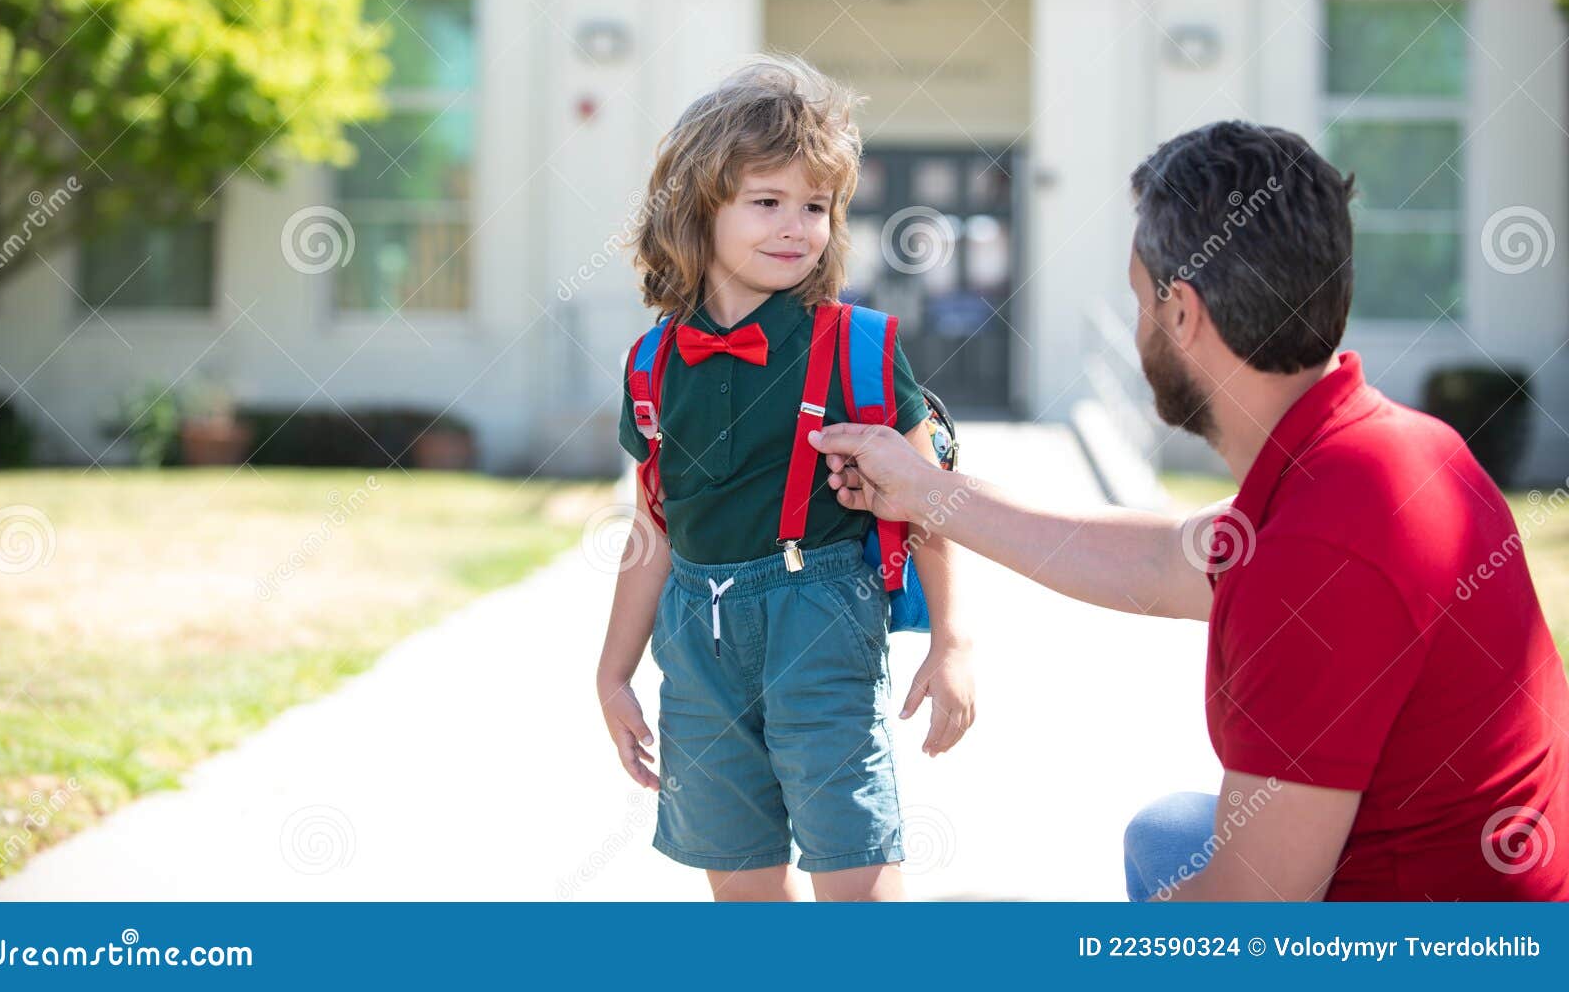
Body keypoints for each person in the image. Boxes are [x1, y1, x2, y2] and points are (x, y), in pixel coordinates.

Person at [810, 121, 1569, 901]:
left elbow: (1244, 917)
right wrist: (926, 490)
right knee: (1165, 830)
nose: (1138, 329)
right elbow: (1159, 562)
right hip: (1482, 887)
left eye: (1142, 301)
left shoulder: (1322, 551)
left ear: (1185, 315)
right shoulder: (1388, 451)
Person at [595, 56, 974, 902]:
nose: (795, 226)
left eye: (816, 206)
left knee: (858, 882)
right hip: (697, 640)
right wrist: (613, 671)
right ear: (700, 209)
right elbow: (650, 527)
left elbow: (933, 501)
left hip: (822, 623)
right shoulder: (653, 362)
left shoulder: (860, 347)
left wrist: (951, 643)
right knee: (741, 892)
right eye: (767, 201)